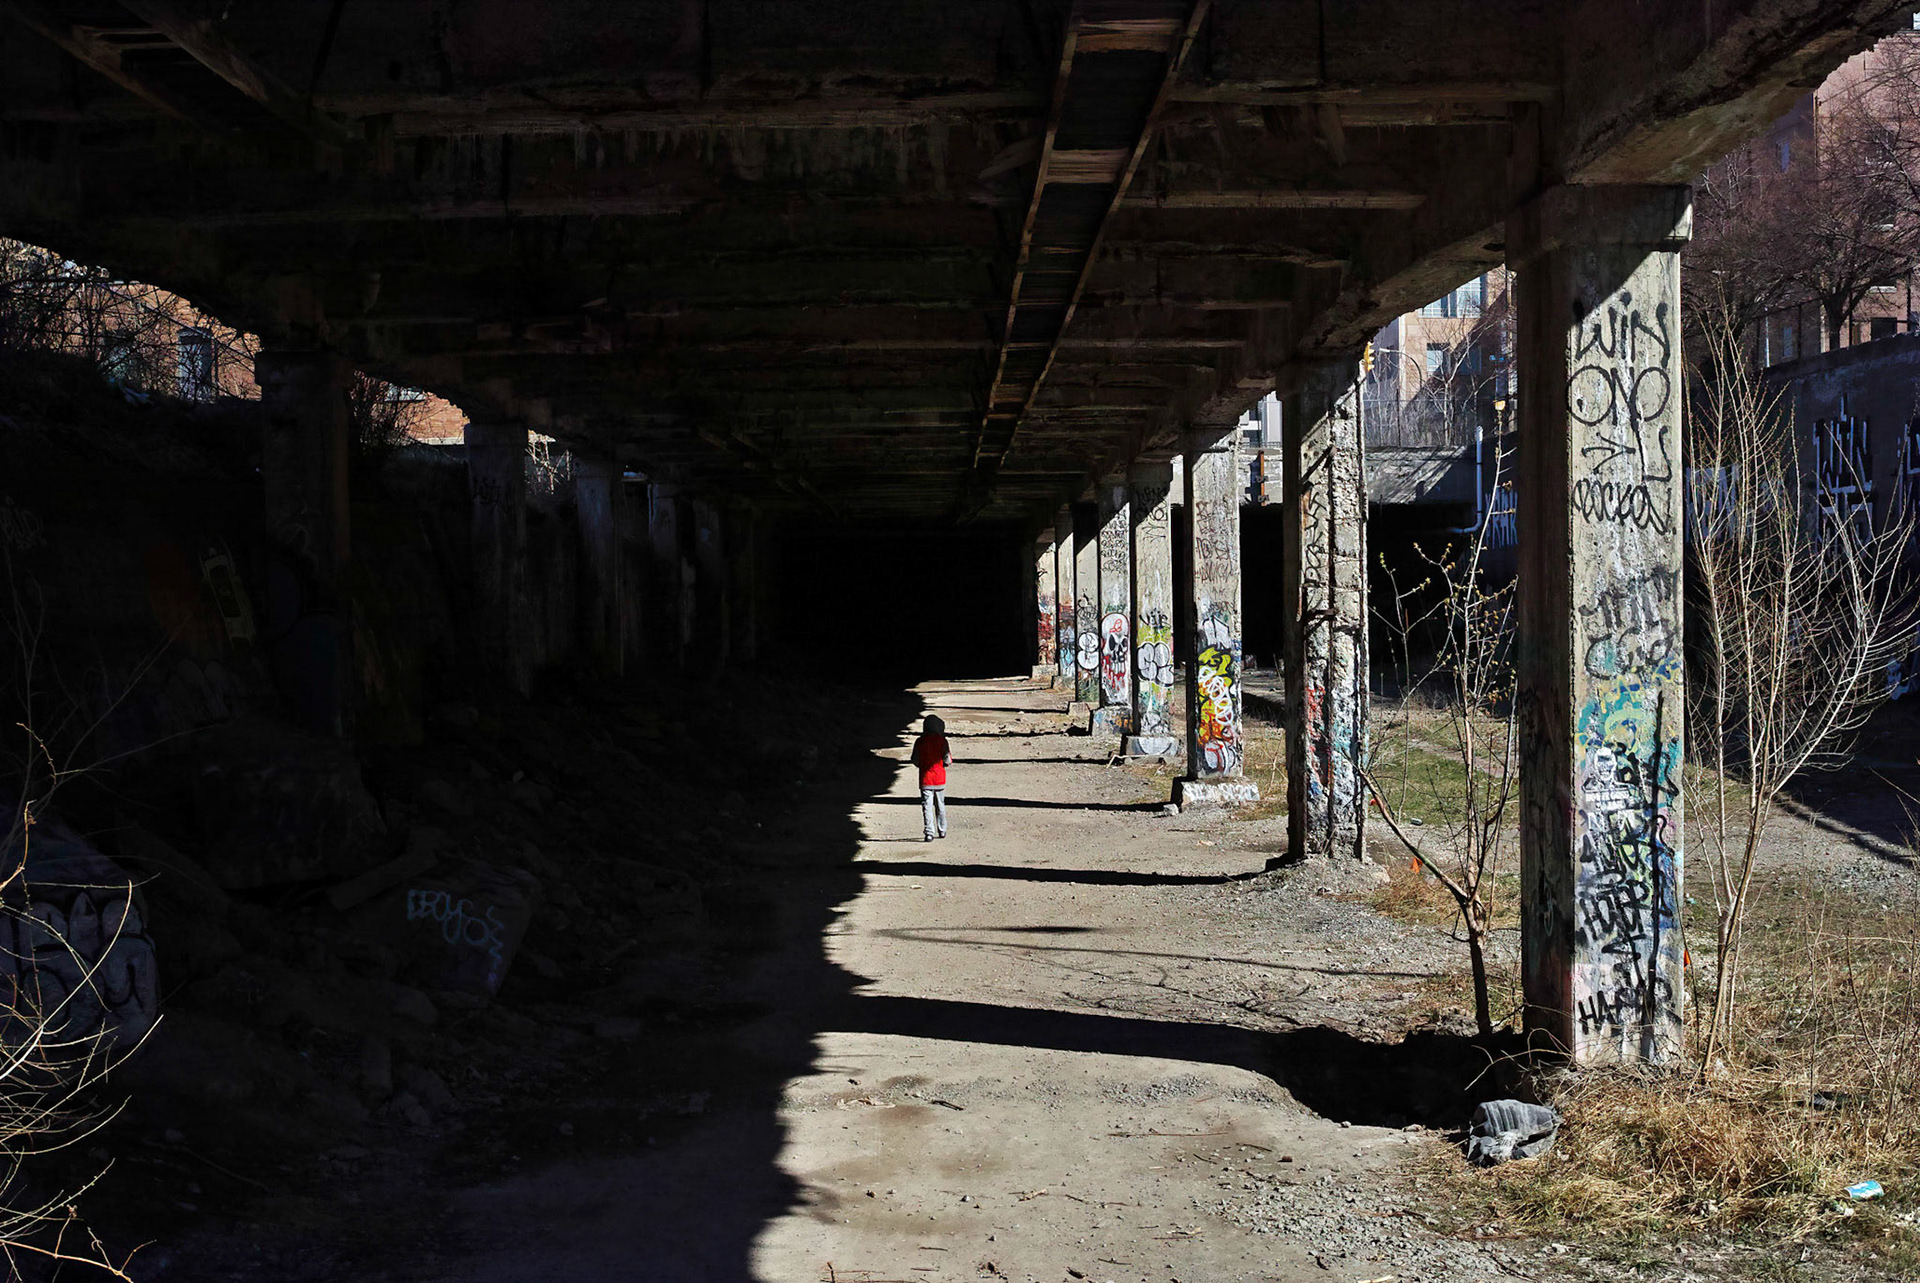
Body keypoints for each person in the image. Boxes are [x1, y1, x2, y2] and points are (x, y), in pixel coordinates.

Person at [909, 715, 952, 842]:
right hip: (939, 778)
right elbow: (947, 760)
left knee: (926, 806)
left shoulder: (919, 741)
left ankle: (929, 833)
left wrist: (922, 765)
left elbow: (915, 759)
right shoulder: (942, 741)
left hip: (925, 779)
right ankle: (942, 830)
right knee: (940, 805)